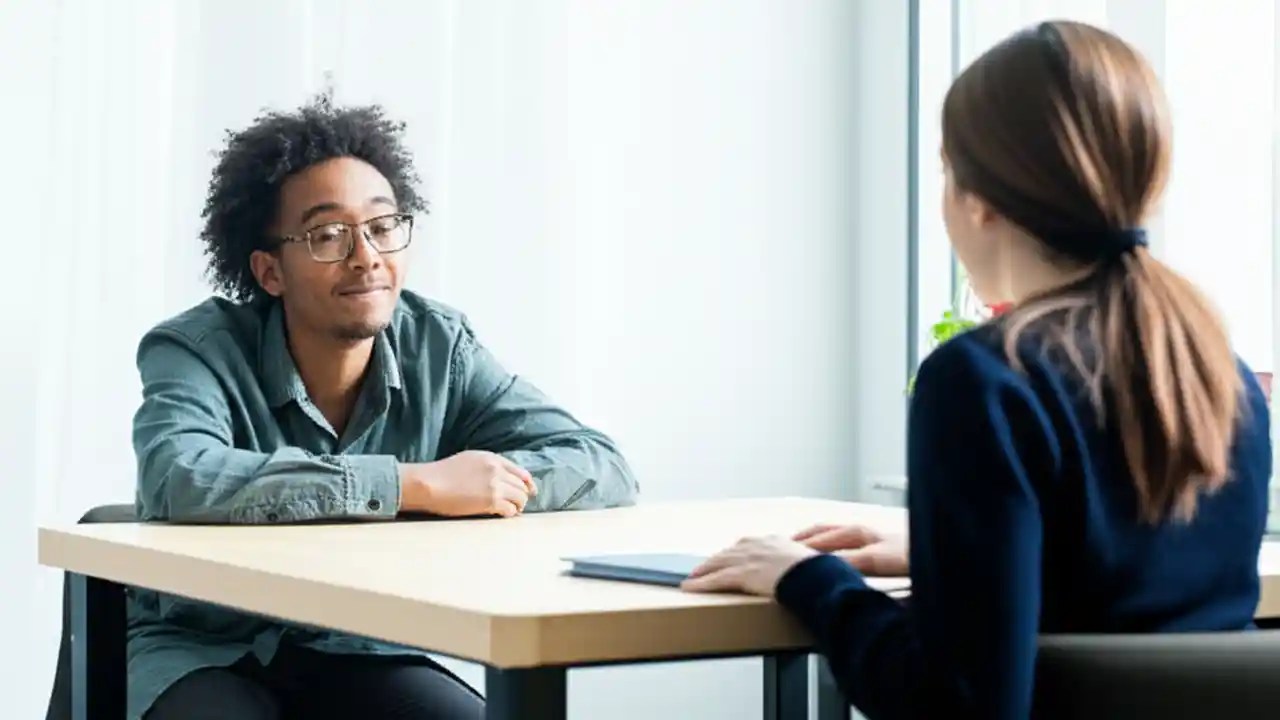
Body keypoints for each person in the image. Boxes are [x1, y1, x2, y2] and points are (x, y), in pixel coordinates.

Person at [682, 20, 1272, 719]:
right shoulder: (1216, 374)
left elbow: (952, 703)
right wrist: (961, 554)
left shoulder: (983, 381)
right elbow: (1134, 600)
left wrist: (811, 579)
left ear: (979, 199)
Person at [128, 94, 640, 720]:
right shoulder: (194, 349)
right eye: (327, 235)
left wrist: (489, 488)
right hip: (200, 645)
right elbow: (180, 476)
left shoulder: (439, 346)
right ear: (269, 272)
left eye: (382, 226)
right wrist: (411, 486)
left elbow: (598, 462)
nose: (366, 255)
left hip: (355, 646)